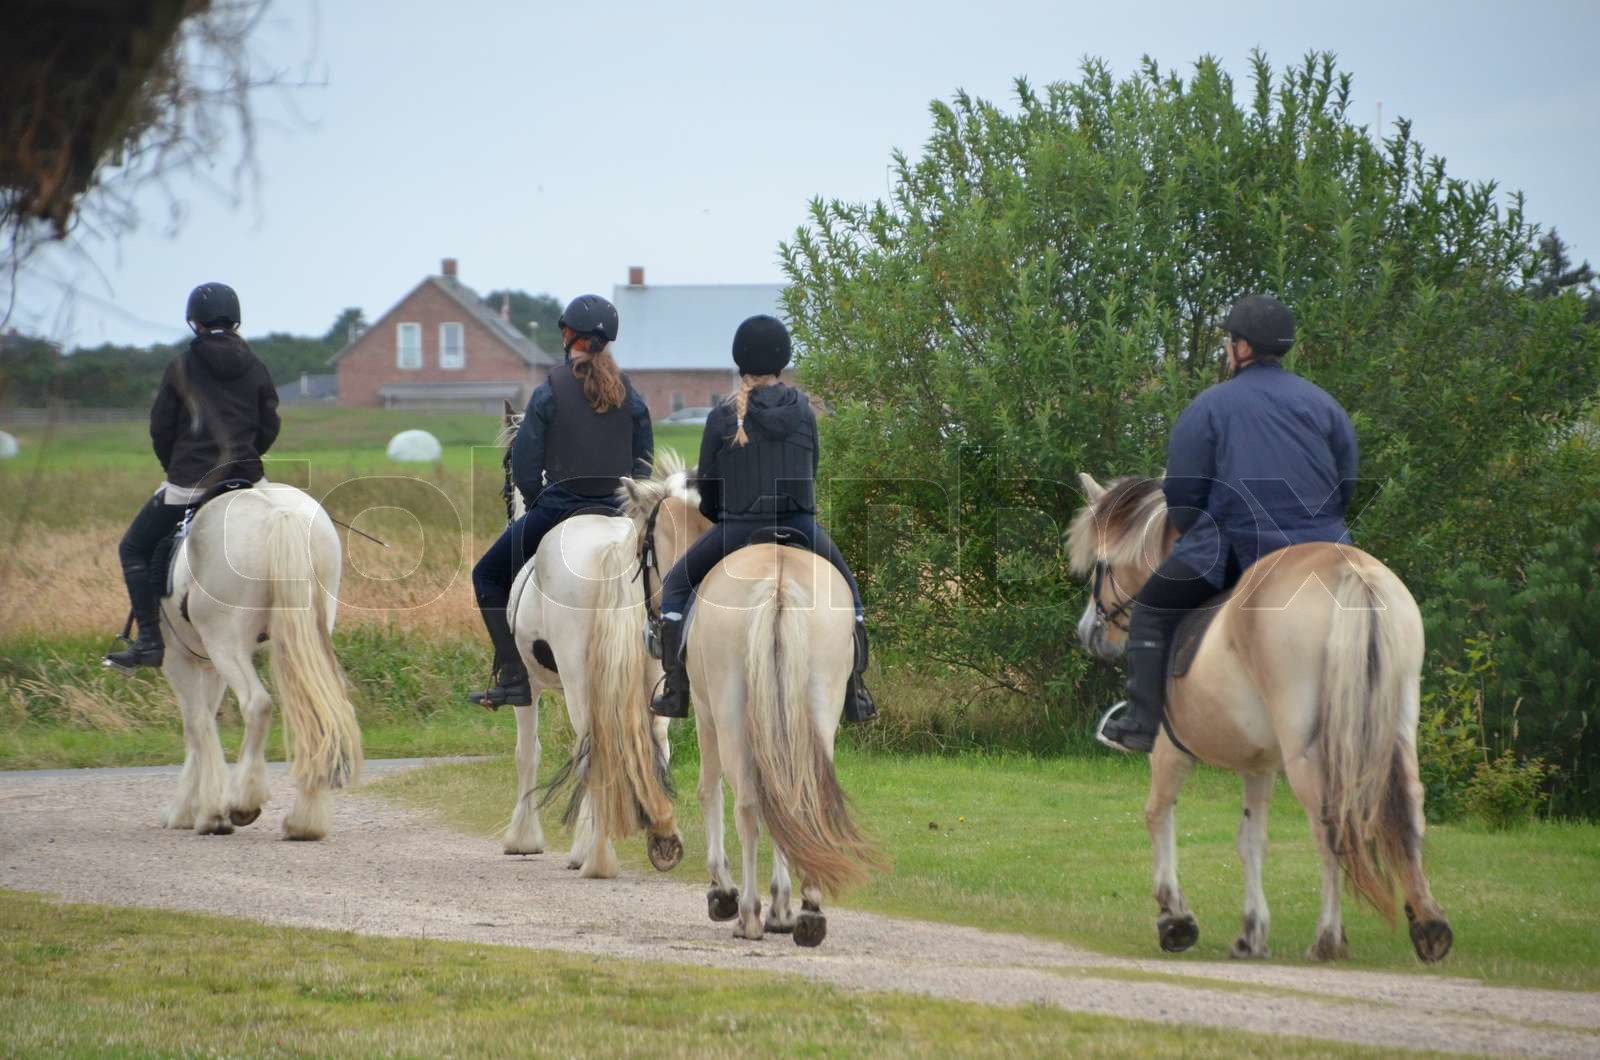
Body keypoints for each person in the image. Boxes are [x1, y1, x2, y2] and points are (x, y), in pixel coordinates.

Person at [1096, 294, 1359, 753]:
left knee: (1151, 610)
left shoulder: (1210, 407)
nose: (1227, 349)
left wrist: (1193, 530)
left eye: (1230, 341)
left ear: (1243, 347)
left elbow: (1183, 496)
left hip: (1235, 548)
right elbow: (1346, 483)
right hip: (1326, 549)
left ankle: (1140, 723)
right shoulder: (1325, 406)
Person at [650, 314, 876, 724]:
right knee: (851, 596)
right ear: (782, 361)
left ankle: (675, 689)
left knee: (677, 586)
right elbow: (811, 471)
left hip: (737, 529)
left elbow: (709, 490)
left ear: (740, 360)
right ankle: (855, 692)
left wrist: (720, 516)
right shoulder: (805, 411)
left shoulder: (722, 417)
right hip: (801, 527)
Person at [467, 294, 653, 708]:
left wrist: (541, 503)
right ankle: (671, 673)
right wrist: (627, 508)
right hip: (621, 512)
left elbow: (524, 467)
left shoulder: (550, 390)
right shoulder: (632, 394)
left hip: (560, 507)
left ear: (568, 335)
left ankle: (513, 676)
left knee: (486, 577)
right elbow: (644, 464)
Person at [103, 282, 280, 671]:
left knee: (133, 548)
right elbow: (269, 423)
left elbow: (161, 428)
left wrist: (176, 468)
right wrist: (249, 456)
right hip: (248, 479)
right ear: (235, 321)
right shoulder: (256, 366)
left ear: (194, 322)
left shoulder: (181, 366)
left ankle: (149, 642)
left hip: (192, 480)